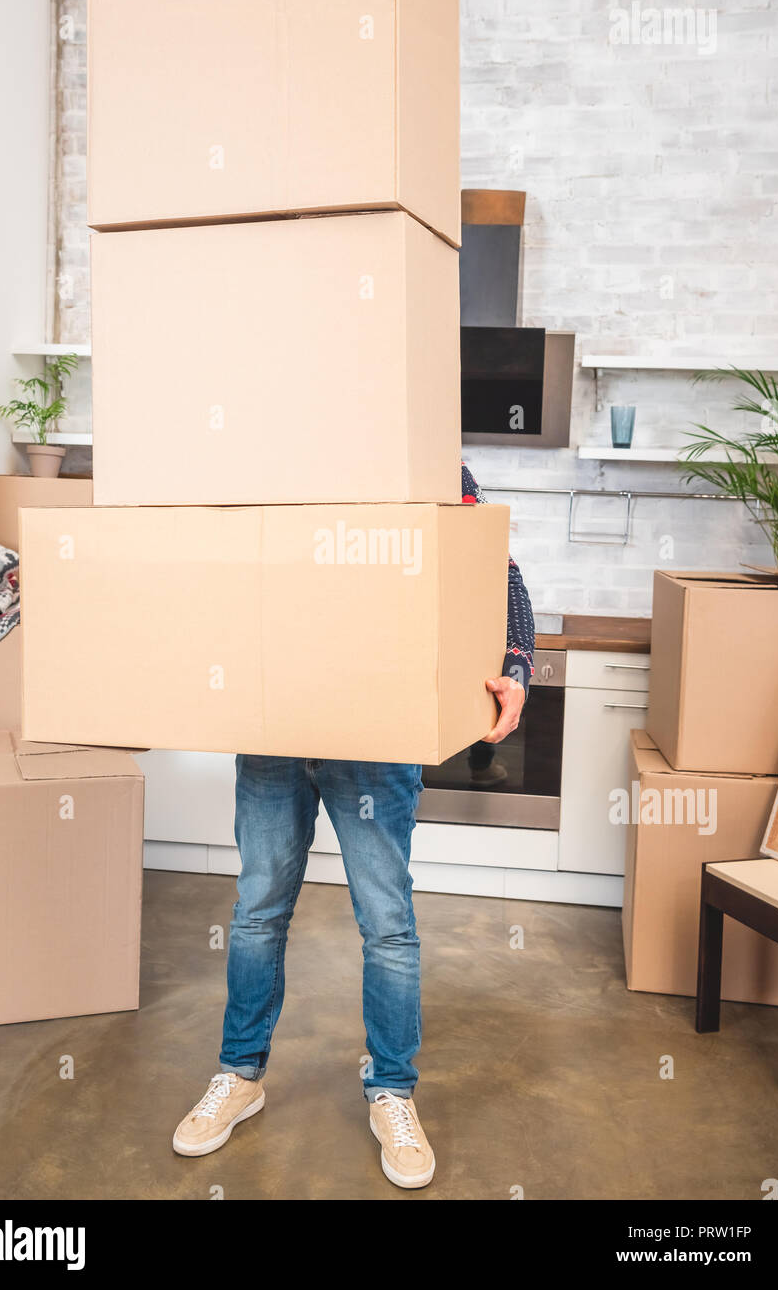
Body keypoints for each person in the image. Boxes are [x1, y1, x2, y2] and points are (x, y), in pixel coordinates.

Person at [173, 462, 535, 1189]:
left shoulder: (431, 460)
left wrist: (517, 665)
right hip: (275, 727)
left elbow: (500, 576)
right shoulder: (271, 456)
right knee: (256, 913)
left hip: (378, 738)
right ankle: (240, 1078)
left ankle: (391, 1091)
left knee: (386, 922)